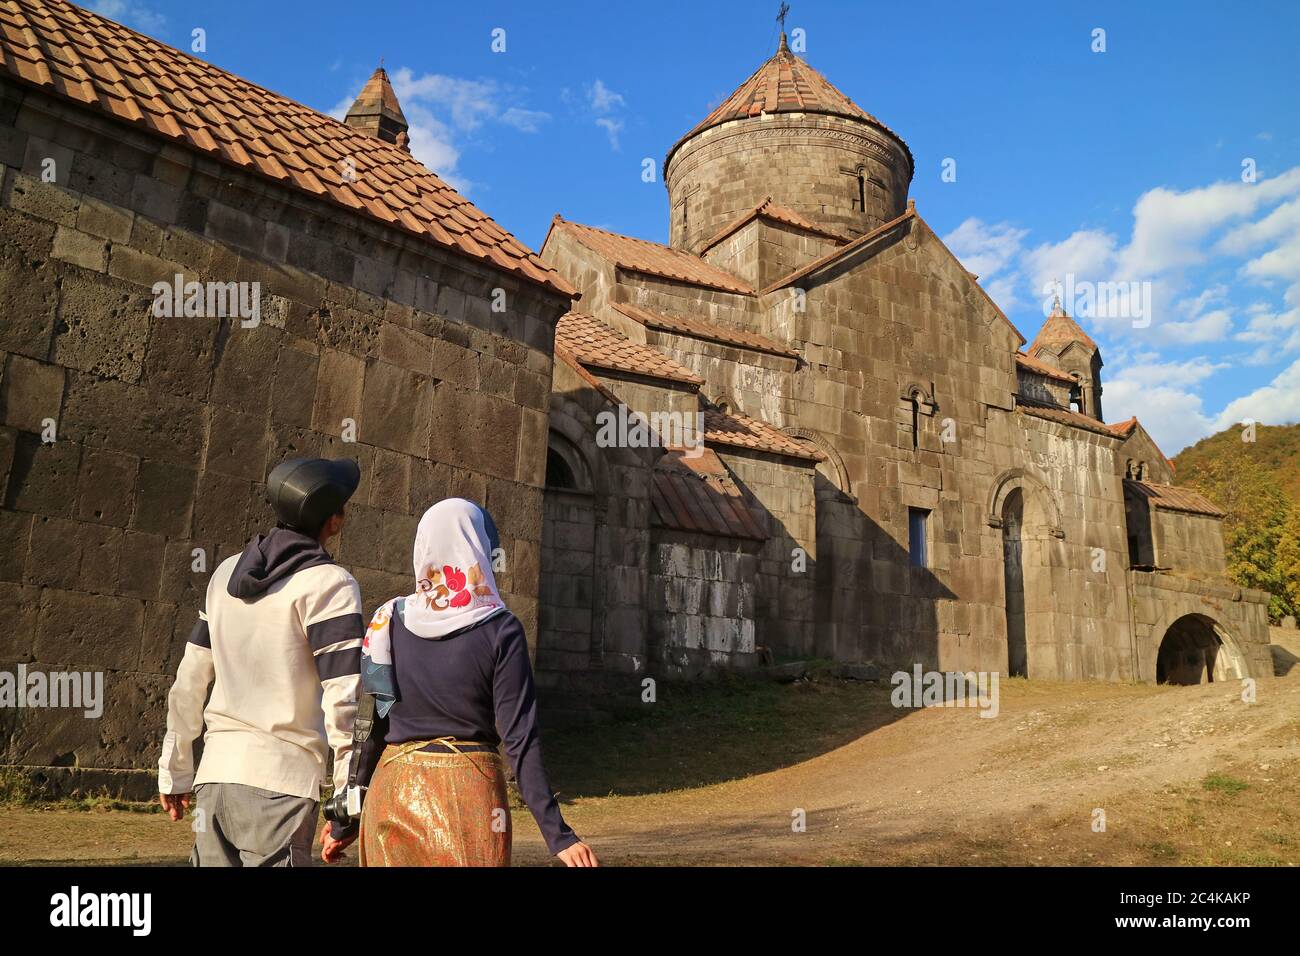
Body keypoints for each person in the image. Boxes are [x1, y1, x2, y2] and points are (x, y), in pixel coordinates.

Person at [354, 498, 597, 867]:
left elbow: (375, 727)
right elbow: (520, 740)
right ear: (479, 549)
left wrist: (345, 818)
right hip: (468, 796)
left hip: (393, 790)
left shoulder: (387, 621)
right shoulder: (501, 629)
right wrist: (558, 834)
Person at [157, 456, 365, 866]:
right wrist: (345, 805)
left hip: (215, 778)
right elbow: (344, 700)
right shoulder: (331, 586)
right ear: (334, 522)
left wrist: (175, 767)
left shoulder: (224, 575)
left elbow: (189, 680)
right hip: (281, 787)